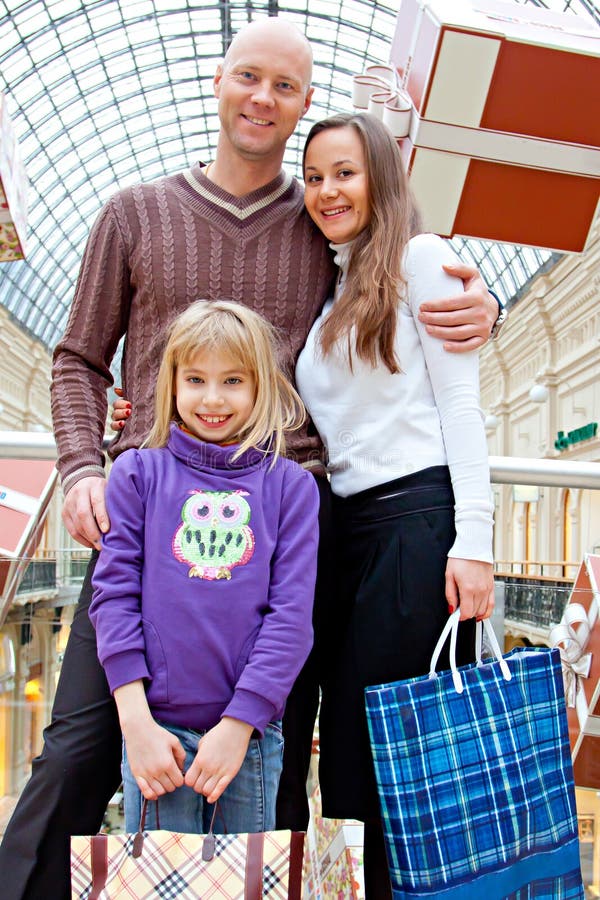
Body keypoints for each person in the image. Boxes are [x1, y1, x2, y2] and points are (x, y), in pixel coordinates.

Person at [0, 17, 501, 900]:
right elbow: (78, 359)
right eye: (248, 77)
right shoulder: (133, 213)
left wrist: (475, 300)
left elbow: (395, 274)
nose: (263, 99)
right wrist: (81, 466)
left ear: (305, 105)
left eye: (286, 87)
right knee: (79, 748)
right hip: (147, 517)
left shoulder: (321, 227)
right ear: (219, 81)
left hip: (285, 527)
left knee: (272, 760)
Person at [294, 112, 495, 899]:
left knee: (398, 759)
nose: (327, 191)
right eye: (314, 176)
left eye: (344, 172)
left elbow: (461, 405)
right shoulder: (335, 287)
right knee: (347, 752)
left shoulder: (421, 258)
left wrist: (474, 542)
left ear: (381, 174)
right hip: (347, 535)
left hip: (416, 527)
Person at [88, 299, 318, 834]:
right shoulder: (137, 475)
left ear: (261, 386)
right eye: (195, 379)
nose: (212, 399)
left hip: (248, 741)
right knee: (155, 878)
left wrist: (240, 723)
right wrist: (135, 723)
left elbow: (290, 620)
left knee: (241, 877)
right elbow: (113, 599)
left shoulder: (291, 489)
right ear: (172, 384)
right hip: (154, 737)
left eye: (233, 380)